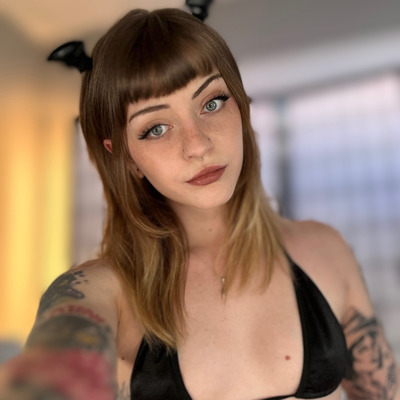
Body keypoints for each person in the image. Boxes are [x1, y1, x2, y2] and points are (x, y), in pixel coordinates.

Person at [0, 7, 399, 400]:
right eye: (156, 128)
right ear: (125, 157)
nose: (198, 144)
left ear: (240, 105)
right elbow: (52, 366)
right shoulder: (102, 291)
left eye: (212, 102)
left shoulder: (324, 250)